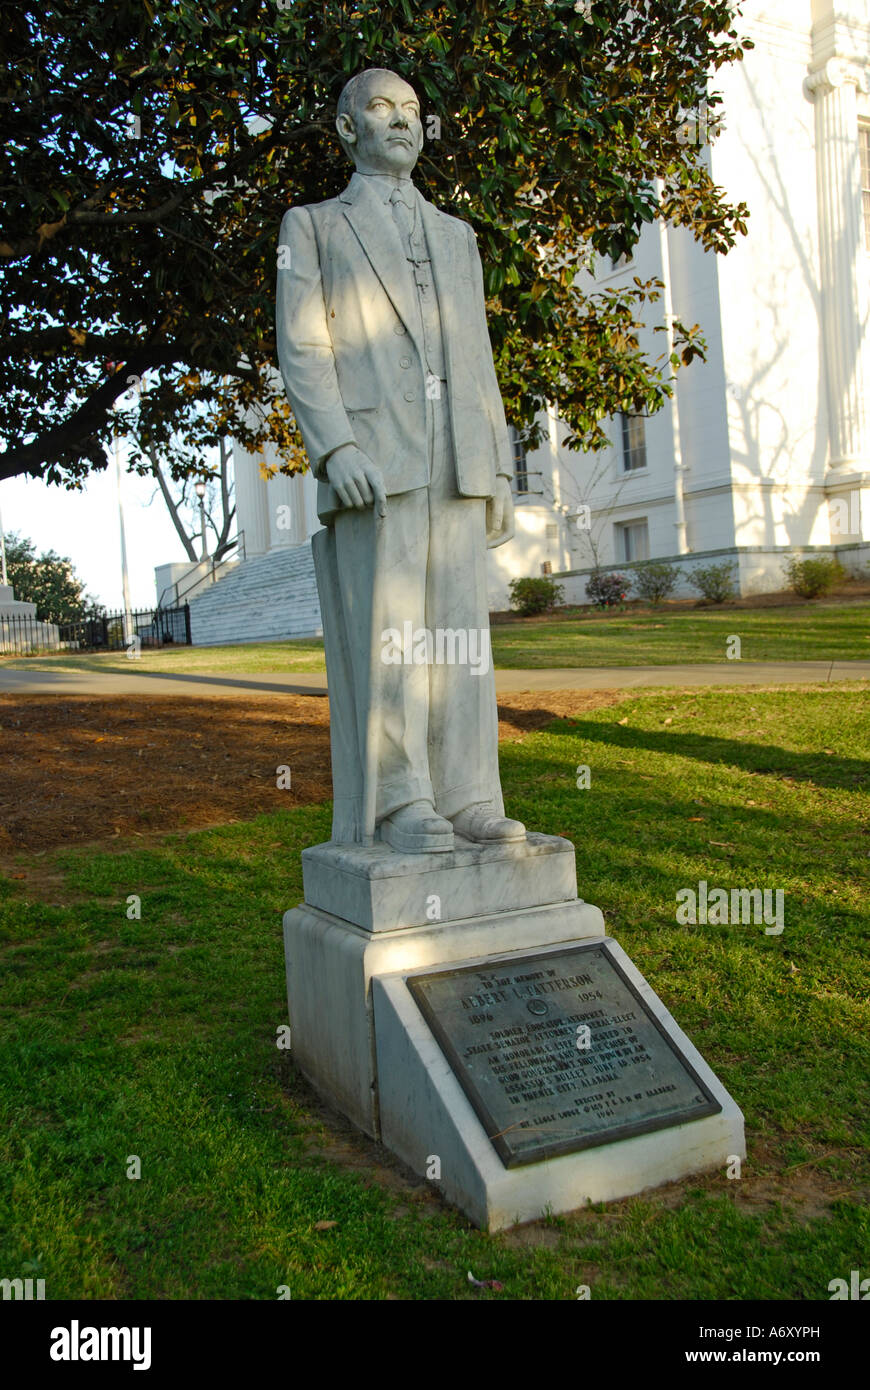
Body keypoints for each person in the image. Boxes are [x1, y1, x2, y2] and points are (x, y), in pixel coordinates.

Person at [276, 67, 526, 854]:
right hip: (375, 467)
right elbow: (304, 345)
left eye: (413, 110)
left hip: (457, 463)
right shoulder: (313, 227)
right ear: (348, 128)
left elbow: (478, 361)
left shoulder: (458, 238)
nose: (401, 122)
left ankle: (469, 797)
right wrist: (334, 445)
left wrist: (501, 470)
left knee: (458, 640)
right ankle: (400, 800)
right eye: (381, 108)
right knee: (393, 638)